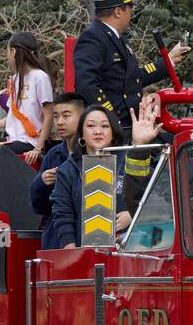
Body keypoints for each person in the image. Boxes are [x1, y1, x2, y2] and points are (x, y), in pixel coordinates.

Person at [72, 0, 190, 138]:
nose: (131, 15)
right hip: (113, 127)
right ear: (118, 12)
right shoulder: (93, 37)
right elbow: (87, 84)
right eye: (129, 10)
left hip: (129, 124)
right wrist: (109, 118)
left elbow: (133, 78)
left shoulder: (117, 38)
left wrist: (169, 60)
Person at [48, 100, 159, 249]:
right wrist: (71, 251)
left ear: (113, 132)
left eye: (105, 126)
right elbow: (62, 213)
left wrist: (133, 215)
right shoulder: (67, 169)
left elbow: (154, 198)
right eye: (91, 126)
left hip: (131, 251)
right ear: (82, 133)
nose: (98, 131)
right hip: (86, 253)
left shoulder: (130, 159)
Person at [30, 92, 87, 249]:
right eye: (55, 117)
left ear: (83, 117)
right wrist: (40, 182)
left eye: (66, 116)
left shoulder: (96, 154)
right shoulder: (53, 155)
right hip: (56, 239)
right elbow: (39, 208)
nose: (59, 122)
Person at [0, 32, 54, 164]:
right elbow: (16, 115)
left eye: (8, 52)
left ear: (13, 51)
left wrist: (38, 148)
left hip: (30, 142)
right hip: (12, 140)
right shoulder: (15, 78)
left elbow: (49, 116)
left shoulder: (40, 77)